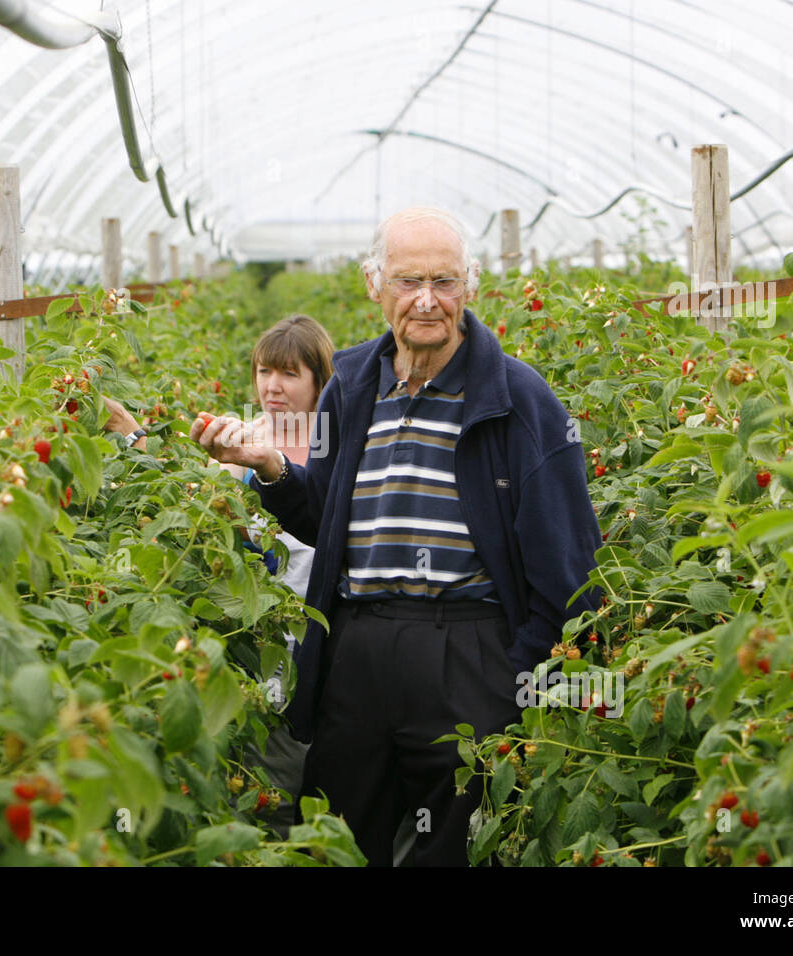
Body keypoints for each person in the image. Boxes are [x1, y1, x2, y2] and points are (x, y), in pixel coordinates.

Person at [190, 206, 603, 866]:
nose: (427, 300)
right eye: (409, 281)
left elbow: (570, 564)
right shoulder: (349, 387)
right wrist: (273, 471)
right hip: (359, 648)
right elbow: (323, 515)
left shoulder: (521, 400)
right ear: (374, 285)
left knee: (454, 848)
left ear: (470, 287)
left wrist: (516, 679)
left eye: (444, 280)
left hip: (468, 653)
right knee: (341, 839)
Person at [218, 314, 335, 838]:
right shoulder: (246, 441)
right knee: (274, 777)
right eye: (264, 371)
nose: (272, 386)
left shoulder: (339, 447)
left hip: (333, 630)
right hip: (268, 635)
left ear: (319, 380)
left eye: (289, 373)